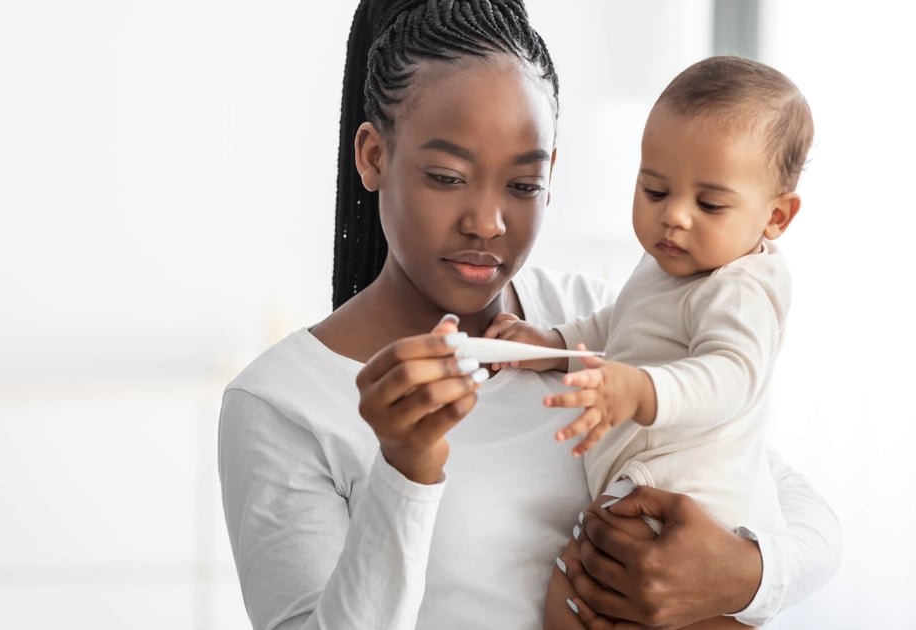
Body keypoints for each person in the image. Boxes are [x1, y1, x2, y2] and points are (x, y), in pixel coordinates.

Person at [217, 1, 840, 628]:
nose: (487, 223)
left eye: (523, 186)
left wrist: (736, 576)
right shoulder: (282, 404)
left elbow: (801, 515)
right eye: (448, 176)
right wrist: (405, 470)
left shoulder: (595, 314)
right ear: (374, 155)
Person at [487, 56, 811, 543]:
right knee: (576, 577)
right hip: (644, 484)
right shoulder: (668, 263)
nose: (674, 216)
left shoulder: (738, 288)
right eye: (655, 191)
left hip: (694, 503)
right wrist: (554, 344)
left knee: (577, 579)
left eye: (709, 204)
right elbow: (623, 323)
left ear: (776, 216)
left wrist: (642, 390)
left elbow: (730, 377)